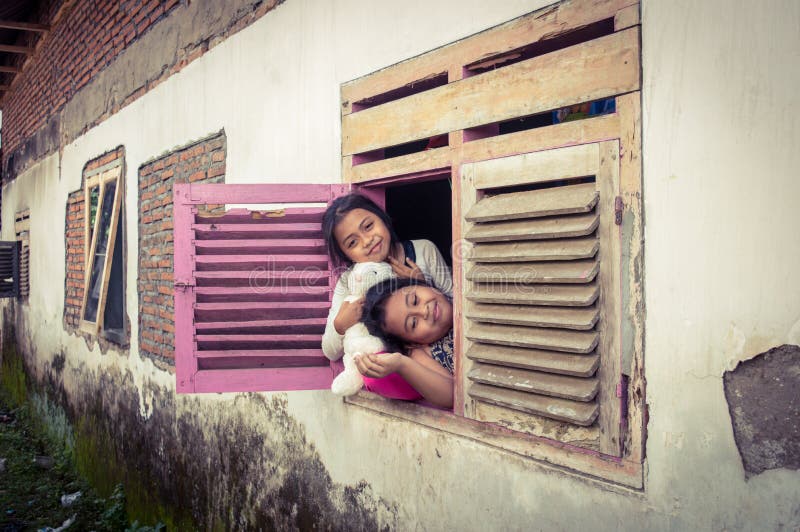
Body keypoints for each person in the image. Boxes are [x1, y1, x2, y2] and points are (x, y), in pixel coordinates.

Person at [321, 193, 452, 361]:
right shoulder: (349, 281)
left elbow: (458, 305)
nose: (367, 241)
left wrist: (422, 283)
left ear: (382, 218)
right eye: (352, 243)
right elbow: (330, 352)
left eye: (368, 226)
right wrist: (340, 325)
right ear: (346, 255)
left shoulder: (423, 251)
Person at [357, 278, 454, 408]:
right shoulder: (420, 352)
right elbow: (451, 395)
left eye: (414, 300)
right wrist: (401, 363)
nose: (424, 311)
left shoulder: (457, 288)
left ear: (420, 284)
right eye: (413, 323)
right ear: (412, 343)